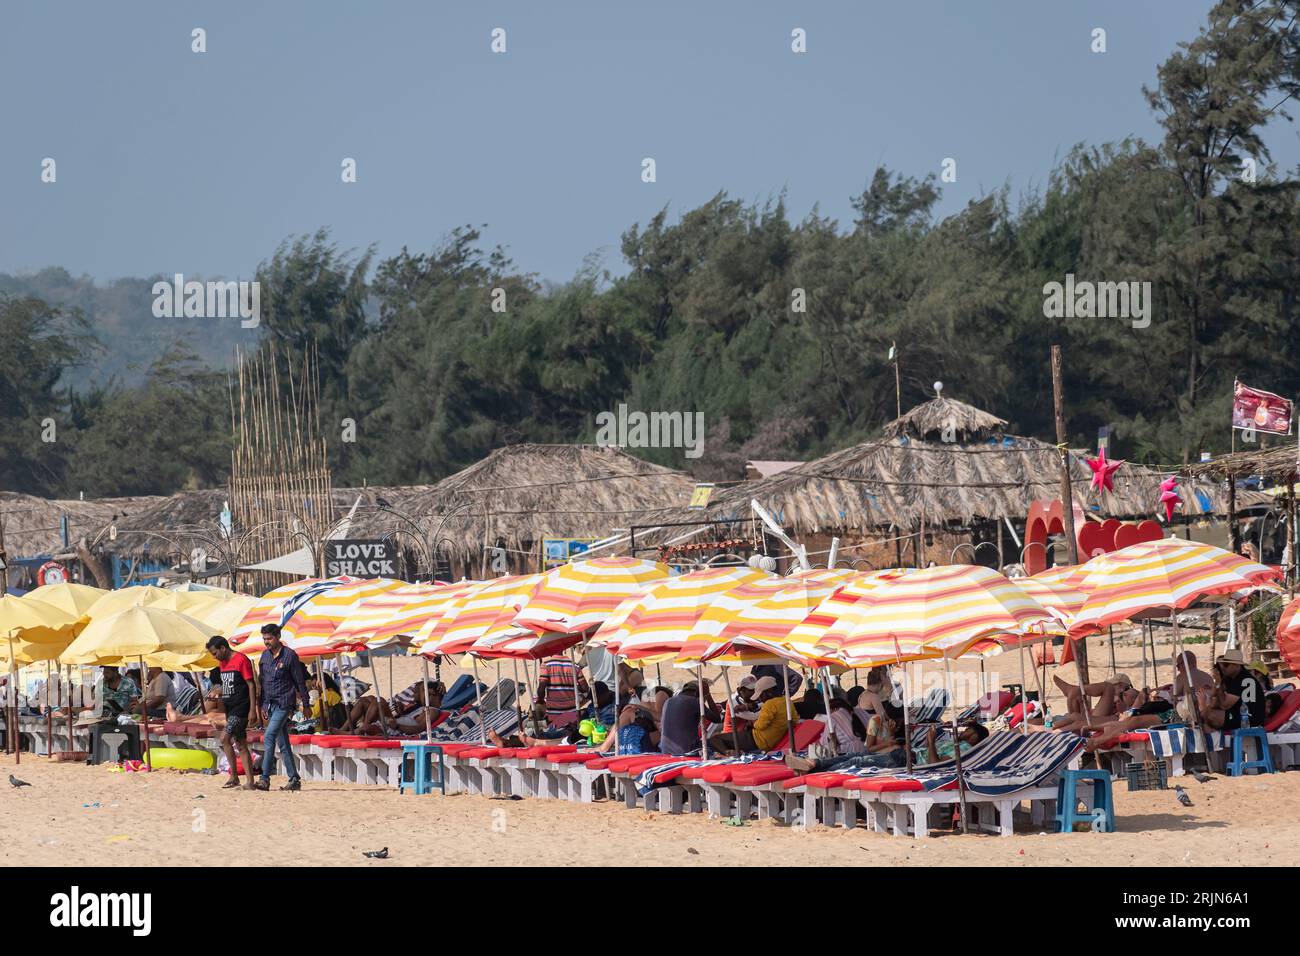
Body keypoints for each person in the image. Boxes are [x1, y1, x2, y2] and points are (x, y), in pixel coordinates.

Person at [255, 624, 311, 792]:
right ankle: (294, 779)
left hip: (285, 703)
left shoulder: (290, 656)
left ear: (278, 636)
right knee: (283, 743)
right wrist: (263, 704)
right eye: (264, 639)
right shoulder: (264, 657)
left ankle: (264, 778)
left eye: (269, 638)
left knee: (269, 736)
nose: (267, 642)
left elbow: (299, 681)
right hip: (270, 704)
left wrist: (306, 704)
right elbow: (263, 682)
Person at [785, 702, 911, 773]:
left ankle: (814, 769)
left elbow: (895, 745)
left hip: (896, 756)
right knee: (853, 757)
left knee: (856, 760)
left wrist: (891, 736)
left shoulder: (904, 724)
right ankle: (814, 764)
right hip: (882, 753)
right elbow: (869, 748)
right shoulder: (876, 720)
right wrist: (890, 738)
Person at [205, 636, 257, 790]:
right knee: (241, 744)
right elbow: (229, 685)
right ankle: (249, 781)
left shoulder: (241, 660)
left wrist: (253, 710)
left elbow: (251, 685)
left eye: (215, 653)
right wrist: (219, 693)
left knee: (224, 738)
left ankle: (234, 776)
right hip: (230, 707)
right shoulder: (223, 664)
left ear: (223, 648)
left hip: (241, 707)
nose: (215, 657)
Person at [1082, 686, 1176, 751]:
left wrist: (1151, 694)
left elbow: (1143, 695)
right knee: (1128, 721)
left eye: (1124, 695)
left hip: (1167, 714)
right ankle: (1094, 732)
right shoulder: (1137, 707)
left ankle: (1096, 741)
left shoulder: (1173, 689)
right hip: (1154, 711)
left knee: (1133, 721)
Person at [1198, 648, 1267, 731]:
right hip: (1238, 714)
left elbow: (1224, 704)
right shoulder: (1230, 678)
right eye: (1222, 665)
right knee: (1205, 716)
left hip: (1249, 718)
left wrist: (1218, 683)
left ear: (1237, 666)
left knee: (1211, 716)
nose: (1223, 668)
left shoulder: (1245, 679)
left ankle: (1214, 740)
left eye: (1226, 665)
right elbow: (1216, 700)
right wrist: (1204, 711)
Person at [1046, 673, 1137, 732]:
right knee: (1075, 715)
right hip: (1097, 717)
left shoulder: (1130, 700)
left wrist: (1120, 701)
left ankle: (1074, 690)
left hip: (1108, 719)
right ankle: (1048, 729)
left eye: (1125, 690)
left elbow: (1124, 712)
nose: (1123, 692)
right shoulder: (1114, 698)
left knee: (1107, 687)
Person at [659, 680, 719, 755]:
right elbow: (717, 719)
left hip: (665, 749)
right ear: (698, 693)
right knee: (718, 742)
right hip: (686, 750)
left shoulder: (668, 701)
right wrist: (708, 695)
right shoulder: (694, 702)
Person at [536, 654, 589, 729]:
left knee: (556, 735)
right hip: (572, 713)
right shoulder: (574, 665)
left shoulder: (546, 664)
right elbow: (585, 688)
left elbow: (541, 689)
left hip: (554, 714)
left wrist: (540, 700)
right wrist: (572, 685)